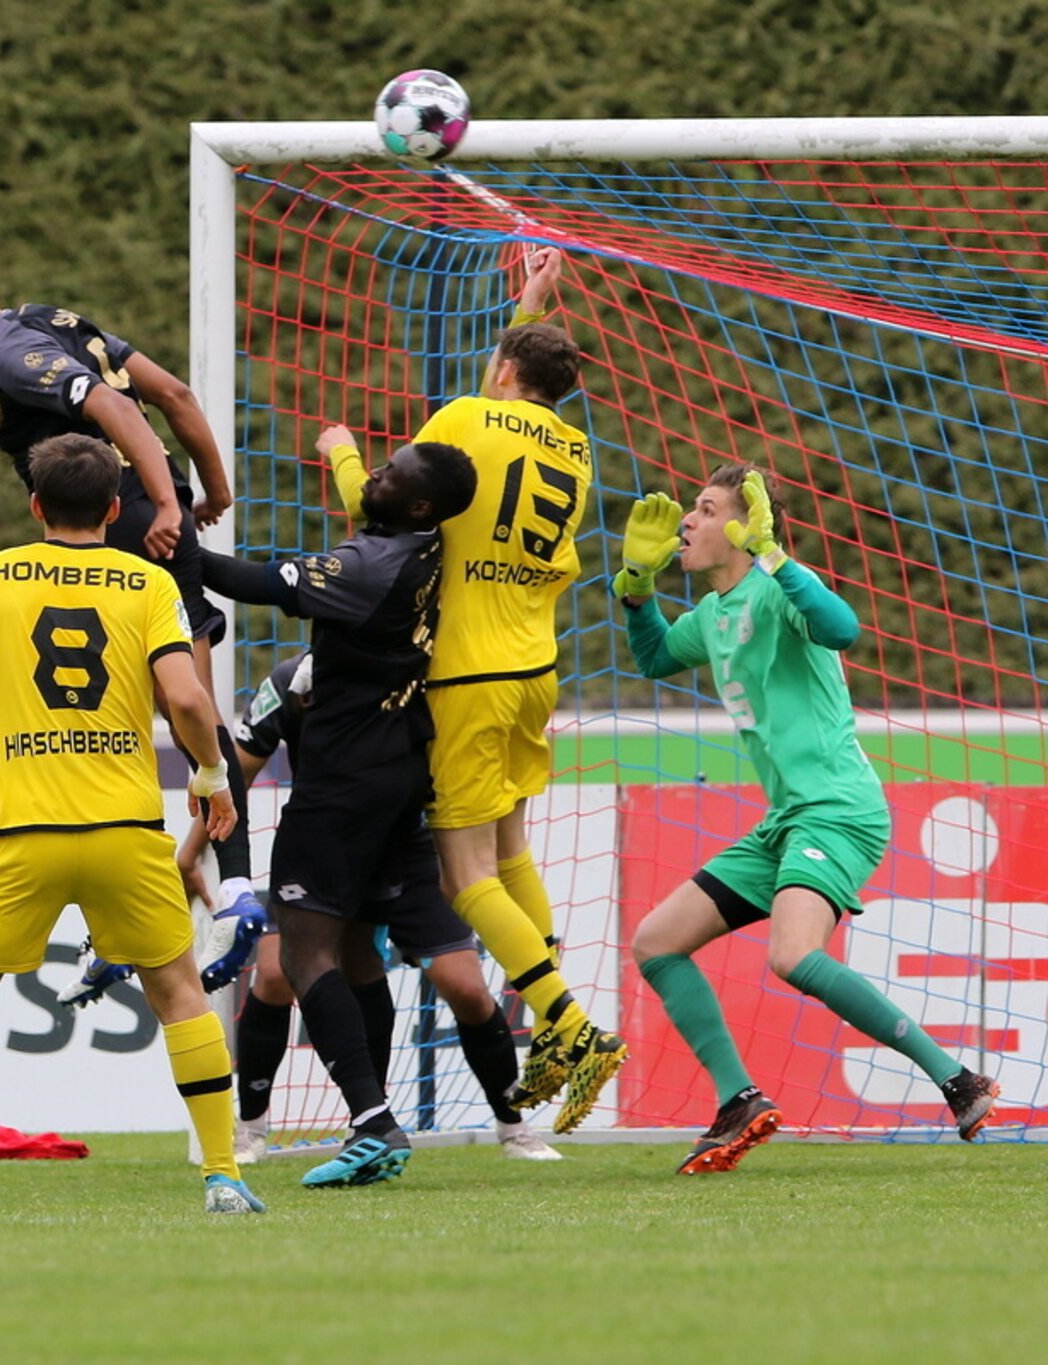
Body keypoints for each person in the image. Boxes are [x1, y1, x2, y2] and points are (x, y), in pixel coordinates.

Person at [0, 249, 269, 997]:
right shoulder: (51, 320)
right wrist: (209, 492)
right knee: (186, 708)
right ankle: (234, 887)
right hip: (155, 517)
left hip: (114, 524)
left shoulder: (11, 352)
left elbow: (120, 409)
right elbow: (175, 395)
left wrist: (161, 504)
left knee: (114, 708)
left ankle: (156, 913)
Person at [0, 433, 261, 1217]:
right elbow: (190, 701)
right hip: (122, 828)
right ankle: (225, 1176)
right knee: (180, 996)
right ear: (112, 509)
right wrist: (208, 775)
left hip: (22, 828)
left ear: (35, 505)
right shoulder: (145, 581)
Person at [320, 247, 626, 1135]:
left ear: (502, 372)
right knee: (511, 848)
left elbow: (382, 503)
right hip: (536, 668)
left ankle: (570, 1026)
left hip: (466, 672)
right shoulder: (572, 447)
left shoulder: (466, 417)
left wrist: (341, 454)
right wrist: (527, 308)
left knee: (463, 876)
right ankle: (557, 1024)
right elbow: (511, 406)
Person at [616, 465, 1000, 1172]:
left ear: (742, 528)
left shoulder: (775, 589)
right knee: (656, 941)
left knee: (792, 955)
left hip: (839, 811)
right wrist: (637, 588)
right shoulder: (710, 615)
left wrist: (776, 554)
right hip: (789, 820)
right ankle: (739, 1099)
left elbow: (843, 628)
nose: (686, 524)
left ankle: (958, 1078)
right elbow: (654, 658)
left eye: (704, 510)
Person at [197, 439, 503, 1188]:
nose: (375, 476)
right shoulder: (427, 546)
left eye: (390, 474)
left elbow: (252, 580)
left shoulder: (370, 568)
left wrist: (167, 546)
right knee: (359, 954)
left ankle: (372, 1121)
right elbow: (369, 501)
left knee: (302, 954)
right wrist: (342, 454)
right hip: (400, 772)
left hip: (343, 782)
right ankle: (350, 1118)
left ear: (419, 506)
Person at [172, 652, 561, 1164]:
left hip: (410, 849)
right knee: (275, 974)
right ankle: (255, 1127)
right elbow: (233, 773)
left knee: (464, 985)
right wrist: (190, 847)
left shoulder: (423, 675)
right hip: (326, 847)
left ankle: (513, 1126)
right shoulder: (292, 682)